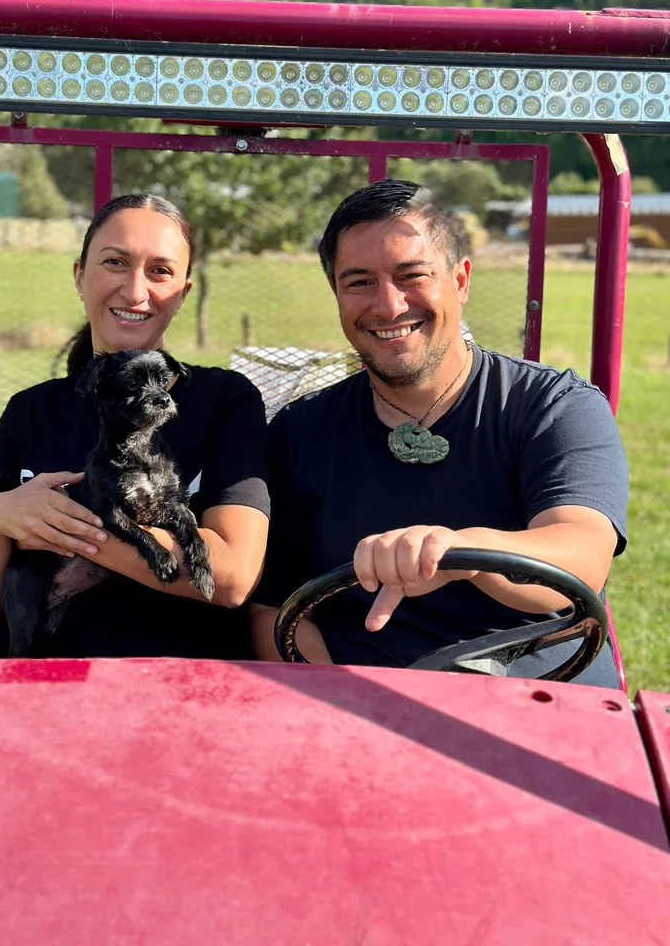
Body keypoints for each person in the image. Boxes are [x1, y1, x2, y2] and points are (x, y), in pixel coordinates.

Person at [250, 180, 628, 685]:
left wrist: (464, 553)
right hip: (363, 706)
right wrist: (341, 703)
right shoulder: (299, 431)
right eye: (359, 282)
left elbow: (581, 559)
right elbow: (275, 613)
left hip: (538, 700)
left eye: (412, 275)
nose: (388, 306)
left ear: (461, 280)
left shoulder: (555, 407)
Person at [0, 194, 270, 658]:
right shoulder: (30, 411)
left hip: (184, 681)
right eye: (115, 263)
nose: (135, 291)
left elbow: (232, 577)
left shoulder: (225, 399)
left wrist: (67, 528)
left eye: (160, 271)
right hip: (49, 683)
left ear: (183, 292)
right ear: (80, 276)